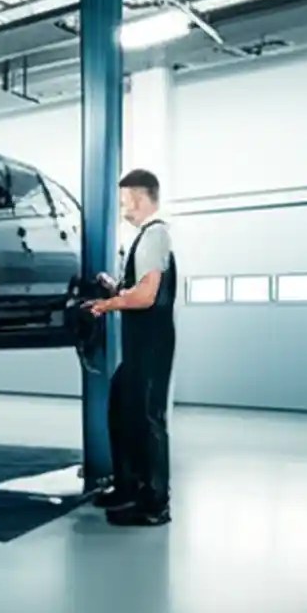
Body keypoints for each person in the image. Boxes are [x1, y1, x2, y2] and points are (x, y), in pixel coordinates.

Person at [83, 169, 177, 526]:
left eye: (124, 201)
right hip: (138, 348)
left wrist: (107, 305)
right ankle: (128, 486)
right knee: (123, 411)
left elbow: (146, 296)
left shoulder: (155, 235)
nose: (123, 208)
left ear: (137, 198)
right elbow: (134, 289)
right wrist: (114, 287)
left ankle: (155, 504)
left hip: (152, 346)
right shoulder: (143, 239)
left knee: (149, 420)